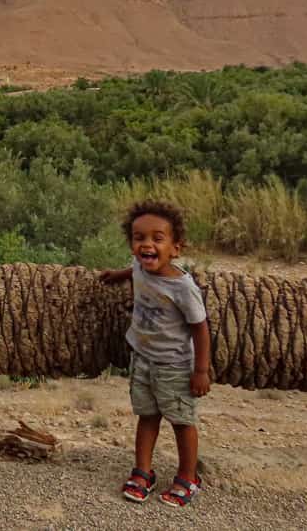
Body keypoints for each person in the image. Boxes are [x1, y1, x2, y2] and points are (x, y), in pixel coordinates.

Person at [99, 201, 211, 508]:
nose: (147, 244)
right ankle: (142, 472)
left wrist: (201, 370)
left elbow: (200, 328)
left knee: (181, 421)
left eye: (157, 238)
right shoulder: (139, 265)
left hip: (175, 365)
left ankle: (188, 477)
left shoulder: (182, 287)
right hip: (143, 359)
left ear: (175, 248)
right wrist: (119, 274)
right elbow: (134, 269)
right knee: (146, 416)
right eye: (139, 238)